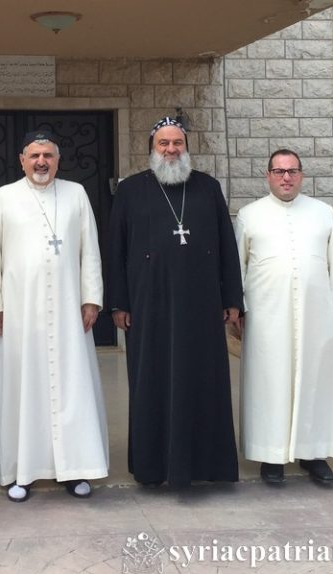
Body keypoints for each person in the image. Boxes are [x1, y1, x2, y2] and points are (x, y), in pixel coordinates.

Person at [108, 117, 243, 488]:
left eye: (177, 143)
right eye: (163, 144)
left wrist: (232, 297)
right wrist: (119, 303)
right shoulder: (131, 190)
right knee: (152, 380)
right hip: (148, 305)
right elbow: (116, 250)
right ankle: (155, 468)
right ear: (151, 148)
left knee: (204, 381)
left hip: (202, 305)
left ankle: (207, 466)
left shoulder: (208, 187)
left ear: (187, 146)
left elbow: (227, 246)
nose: (171, 150)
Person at [0, 130, 109, 502]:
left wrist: (92, 299)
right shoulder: (4, 198)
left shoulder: (76, 194)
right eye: (34, 155)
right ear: (21, 160)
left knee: (72, 388)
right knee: (23, 390)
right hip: (20, 315)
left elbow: (91, 251)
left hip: (69, 312)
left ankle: (74, 469)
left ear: (58, 160)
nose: (41, 162)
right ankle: (23, 471)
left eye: (48, 156)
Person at [235, 149, 333, 485]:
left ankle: (313, 454)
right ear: (268, 175)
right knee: (269, 383)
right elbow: (237, 267)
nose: (286, 177)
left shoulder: (323, 213)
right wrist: (237, 308)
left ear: (301, 175)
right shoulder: (249, 215)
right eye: (278, 171)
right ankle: (270, 457)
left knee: (315, 382)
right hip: (266, 316)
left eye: (292, 171)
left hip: (317, 315)